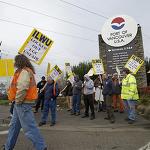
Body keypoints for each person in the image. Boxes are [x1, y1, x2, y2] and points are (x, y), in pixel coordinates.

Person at [4, 54, 47, 150]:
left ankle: (41, 147)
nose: (14, 63)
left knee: (29, 129)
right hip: (20, 103)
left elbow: (23, 88)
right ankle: (8, 147)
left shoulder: (24, 71)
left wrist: (17, 101)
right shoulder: (25, 71)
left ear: (19, 62)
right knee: (14, 127)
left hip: (22, 103)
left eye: (15, 61)